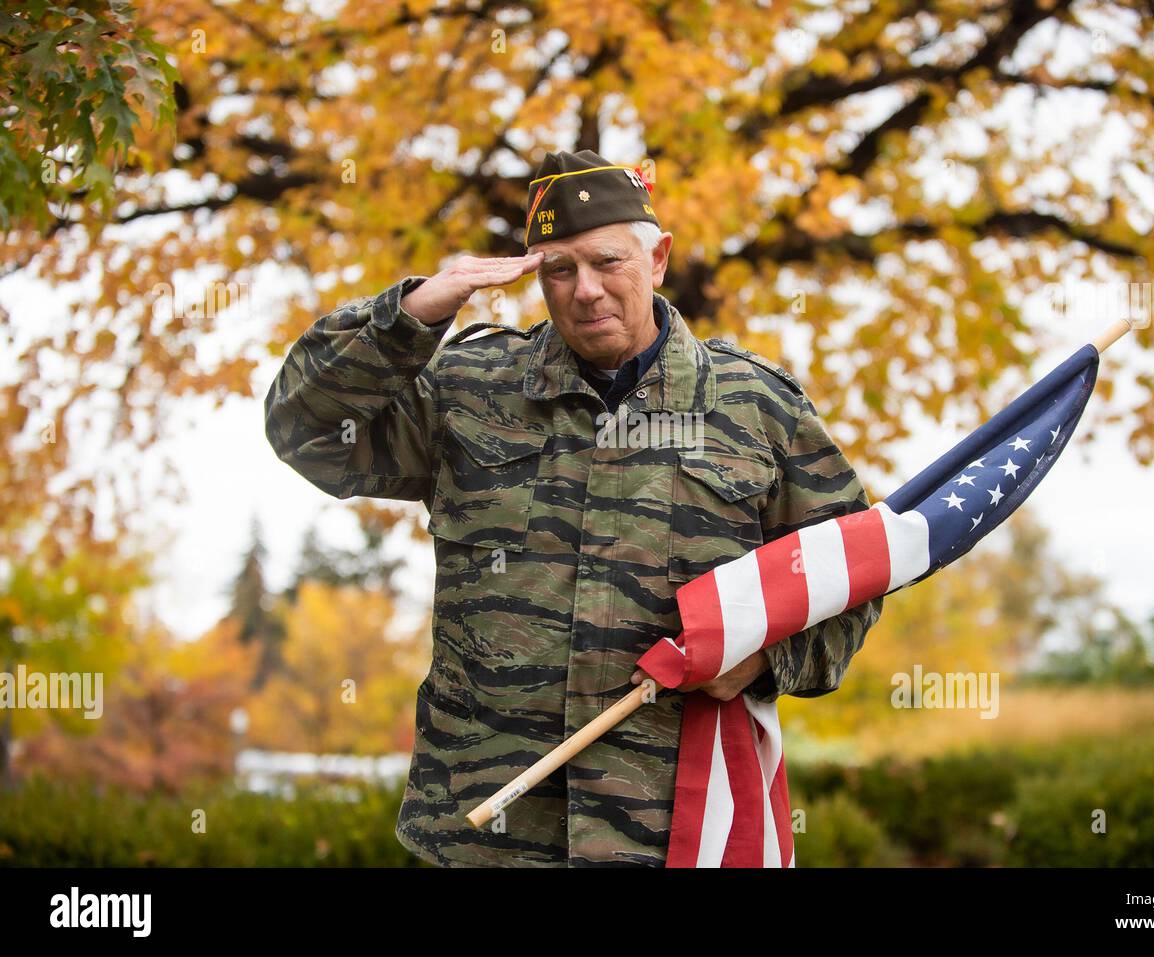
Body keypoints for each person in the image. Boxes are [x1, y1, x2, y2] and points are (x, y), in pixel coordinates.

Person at [264, 148, 883, 866]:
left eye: (606, 261)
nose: (585, 290)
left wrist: (770, 660)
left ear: (657, 260)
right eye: (559, 270)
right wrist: (417, 310)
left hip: (670, 834)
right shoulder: (469, 390)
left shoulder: (756, 408)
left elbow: (855, 575)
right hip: (485, 839)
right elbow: (303, 428)